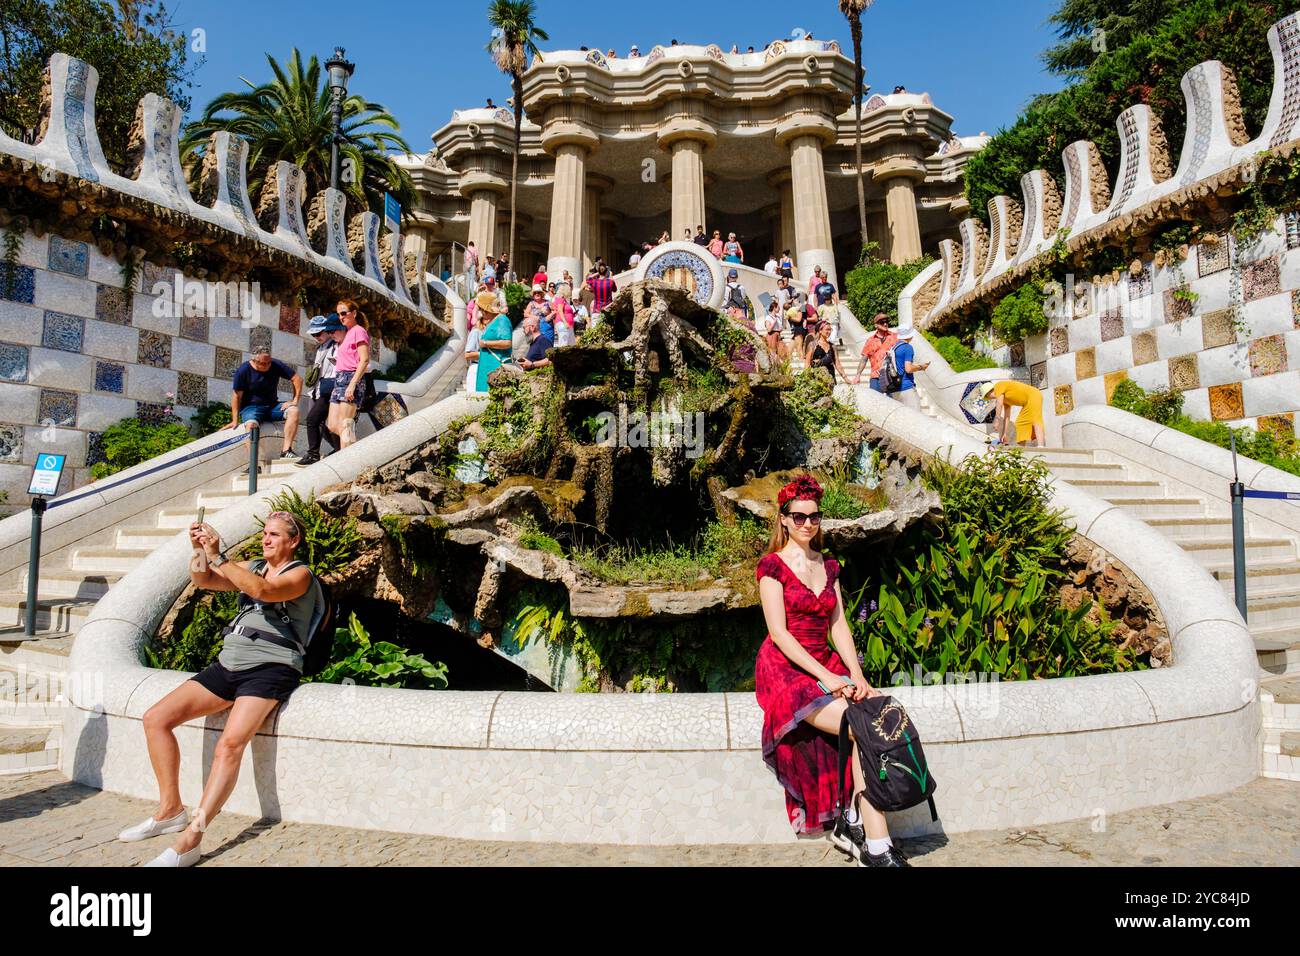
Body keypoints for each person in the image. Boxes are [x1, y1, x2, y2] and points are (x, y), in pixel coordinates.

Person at [121, 511, 321, 867]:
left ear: (293, 541)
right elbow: (204, 581)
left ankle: (191, 838)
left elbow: (263, 591)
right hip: (228, 664)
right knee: (156, 718)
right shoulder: (255, 565)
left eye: (275, 534)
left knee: (230, 745)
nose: (266, 539)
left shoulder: (300, 574)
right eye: (265, 533)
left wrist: (219, 556)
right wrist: (199, 550)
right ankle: (170, 810)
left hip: (271, 669)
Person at [755, 475, 906, 866]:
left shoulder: (829, 566)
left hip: (826, 660)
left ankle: (857, 823)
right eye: (799, 516)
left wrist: (856, 675)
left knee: (866, 721)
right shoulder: (772, 567)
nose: (807, 523)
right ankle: (876, 845)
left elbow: (839, 626)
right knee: (859, 727)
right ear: (784, 519)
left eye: (815, 516)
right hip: (787, 667)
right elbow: (779, 634)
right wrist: (825, 676)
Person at [224, 346, 302, 459]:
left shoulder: (275, 364)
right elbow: (236, 396)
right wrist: (235, 420)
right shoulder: (243, 370)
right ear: (254, 361)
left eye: (268, 362)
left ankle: (286, 450)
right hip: (251, 408)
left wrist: (294, 401)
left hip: (272, 406)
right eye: (263, 363)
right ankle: (254, 464)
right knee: (251, 426)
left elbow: (297, 379)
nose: (267, 366)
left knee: (294, 411)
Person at [296, 313, 345, 466]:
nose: (317, 336)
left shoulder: (336, 345)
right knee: (322, 422)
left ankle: (314, 454)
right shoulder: (321, 347)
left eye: (319, 333)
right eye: (314, 334)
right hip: (321, 389)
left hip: (333, 389)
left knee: (316, 420)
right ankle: (337, 450)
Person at [327, 300, 370, 449]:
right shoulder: (349, 333)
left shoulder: (359, 331)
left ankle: (347, 462)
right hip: (339, 379)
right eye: (338, 314)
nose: (341, 317)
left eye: (344, 313)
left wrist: (352, 384)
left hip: (350, 378)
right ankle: (354, 450)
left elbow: (364, 360)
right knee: (333, 425)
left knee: (346, 424)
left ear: (354, 313)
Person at [983, 379, 1045, 446]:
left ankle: (1041, 446)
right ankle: (1022, 450)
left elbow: (999, 404)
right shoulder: (1005, 400)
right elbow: (1007, 417)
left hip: (1034, 395)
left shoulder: (998, 386)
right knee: (1020, 423)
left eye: (987, 397)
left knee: (1036, 419)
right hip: (1027, 403)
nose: (990, 399)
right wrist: (1004, 434)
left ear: (988, 393)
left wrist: (997, 420)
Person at [476, 289, 514, 391]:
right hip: (488, 366)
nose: (480, 311)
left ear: (486, 309)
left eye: (481, 308)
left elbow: (507, 343)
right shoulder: (493, 320)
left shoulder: (502, 319)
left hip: (496, 366)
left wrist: (485, 343)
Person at [853, 312, 897, 391]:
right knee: (875, 401)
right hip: (876, 376)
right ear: (876, 325)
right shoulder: (870, 341)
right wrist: (858, 375)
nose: (885, 324)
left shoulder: (895, 337)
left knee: (892, 402)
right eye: (882, 322)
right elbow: (864, 359)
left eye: (886, 321)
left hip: (892, 375)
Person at [889, 323, 928, 411]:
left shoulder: (894, 347)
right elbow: (908, 369)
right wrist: (921, 367)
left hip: (895, 389)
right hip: (906, 387)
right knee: (916, 417)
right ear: (910, 335)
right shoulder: (907, 347)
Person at [464, 308, 487, 394]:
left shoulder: (489, 332)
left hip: (486, 368)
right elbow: (467, 355)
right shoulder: (476, 332)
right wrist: (487, 355)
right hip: (476, 368)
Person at [552, 282, 576, 346]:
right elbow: (560, 311)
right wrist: (565, 322)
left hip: (568, 324)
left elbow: (565, 311)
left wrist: (572, 315)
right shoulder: (561, 299)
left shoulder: (564, 300)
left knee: (571, 344)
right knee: (563, 344)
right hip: (563, 323)